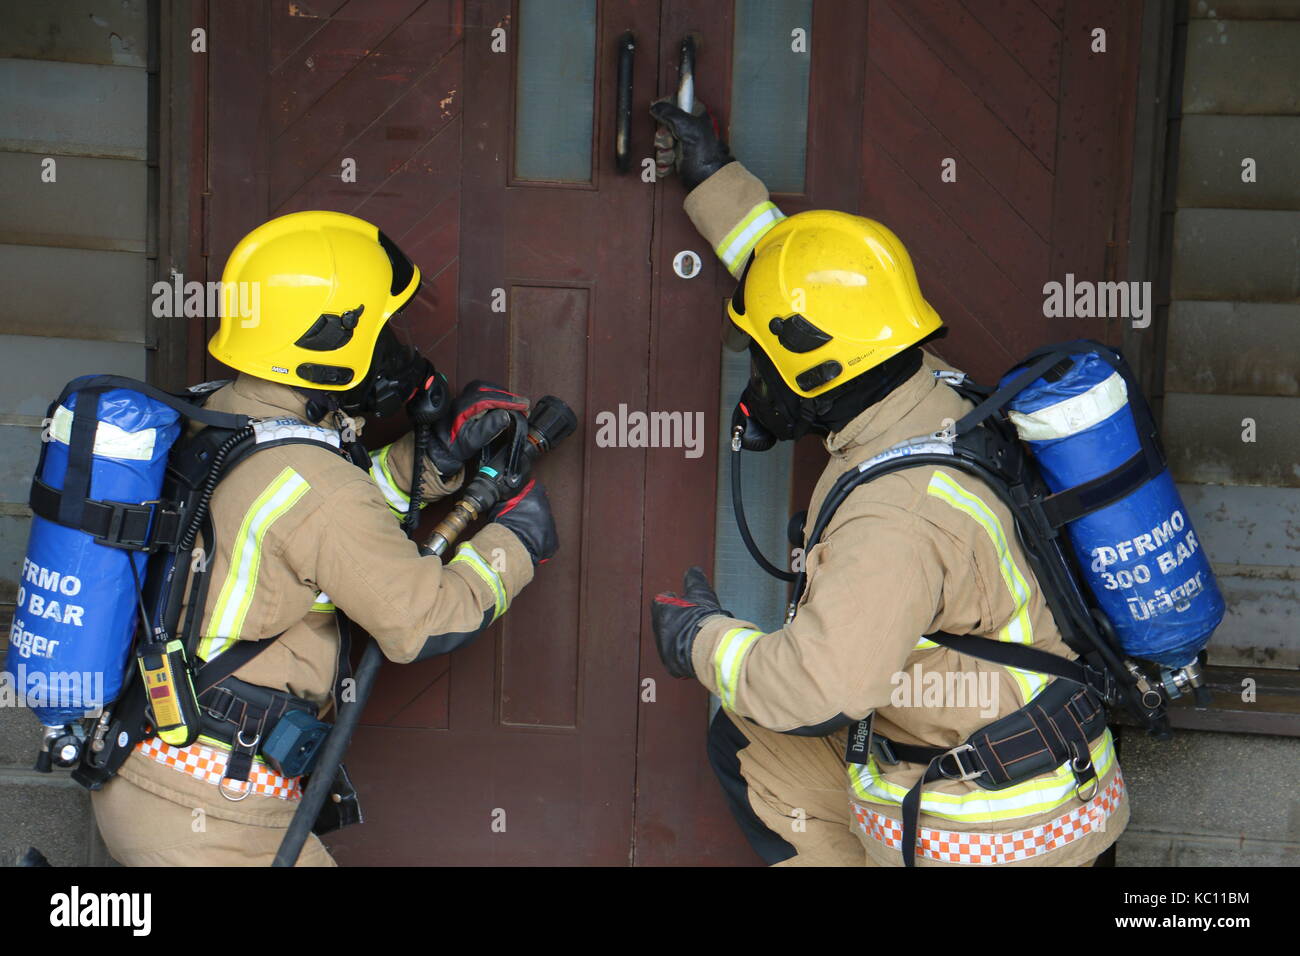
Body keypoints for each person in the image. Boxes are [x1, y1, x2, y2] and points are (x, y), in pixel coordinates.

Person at [648, 102, 1128, 867]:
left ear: (816, 371)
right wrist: (714, 181)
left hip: (1004, 827)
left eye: (760, 361)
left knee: (776, 707)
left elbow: (815, 691)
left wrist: (699, 638)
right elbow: (806, 284)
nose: (753, 377)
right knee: (750, 744)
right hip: (1018, 734)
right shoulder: (930, 391)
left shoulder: (895, 524)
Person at [91, 210, 558, 866]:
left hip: (143, 770)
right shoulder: (316, 484)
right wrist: (516, 543)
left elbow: (312, 528)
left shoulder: (217, 413)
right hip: (216, 814)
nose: (396, 352)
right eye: (381, 331)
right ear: (329, 338)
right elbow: (417, 621)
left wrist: (434, 459)